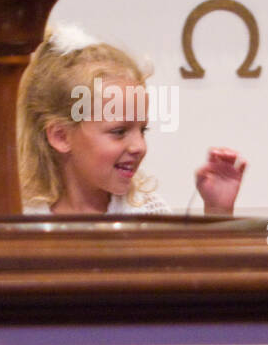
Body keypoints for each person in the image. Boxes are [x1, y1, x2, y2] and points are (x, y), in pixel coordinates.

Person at [18, 25, 246, 215]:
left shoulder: (147, 215)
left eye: (143, 130)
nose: (140, 146)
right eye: (119, 131)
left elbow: (188, 270)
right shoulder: (23, 220)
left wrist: (217, 210)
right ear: (61, 136)